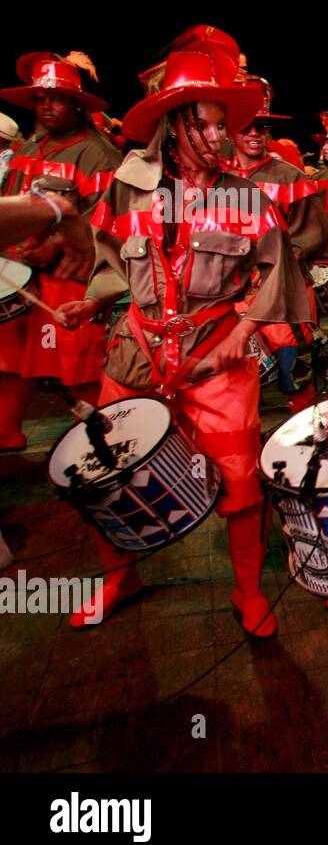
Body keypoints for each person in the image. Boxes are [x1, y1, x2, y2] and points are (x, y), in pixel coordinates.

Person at [55, 46, 310, 636]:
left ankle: (246, 592)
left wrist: (245, 331)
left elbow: (280, 273)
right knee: (104, 475)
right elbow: (110, 261)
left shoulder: (246, 197)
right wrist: (91, 299)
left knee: (242, 484)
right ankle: (121, 576)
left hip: (215, 361)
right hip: (134, 355)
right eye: (208, 123)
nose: (220, 136)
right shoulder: (129, 190)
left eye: (225, 124)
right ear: (176, 124)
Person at [0, 51, 121, 450]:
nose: (47, 105)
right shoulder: (26, 151)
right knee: (10, 361)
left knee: (78, 362)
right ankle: (7, 431)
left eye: (57, 97)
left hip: (69, 278)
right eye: (40, 98)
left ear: (78, 105)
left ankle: (99, 440)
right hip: (19, 275)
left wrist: (56, 242)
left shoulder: (98, 153)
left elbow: (108, 221)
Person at [229, 75, 328, 413]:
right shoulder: (216, 176)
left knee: (295, 366)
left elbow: (313, 234)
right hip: (230, 290)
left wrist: (277, 260)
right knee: (234, 368)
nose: (254, 134)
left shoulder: (290, 177)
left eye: (261, 127)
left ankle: (305, 427)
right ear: (231, 130)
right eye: (246, 127)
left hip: (281, 287)